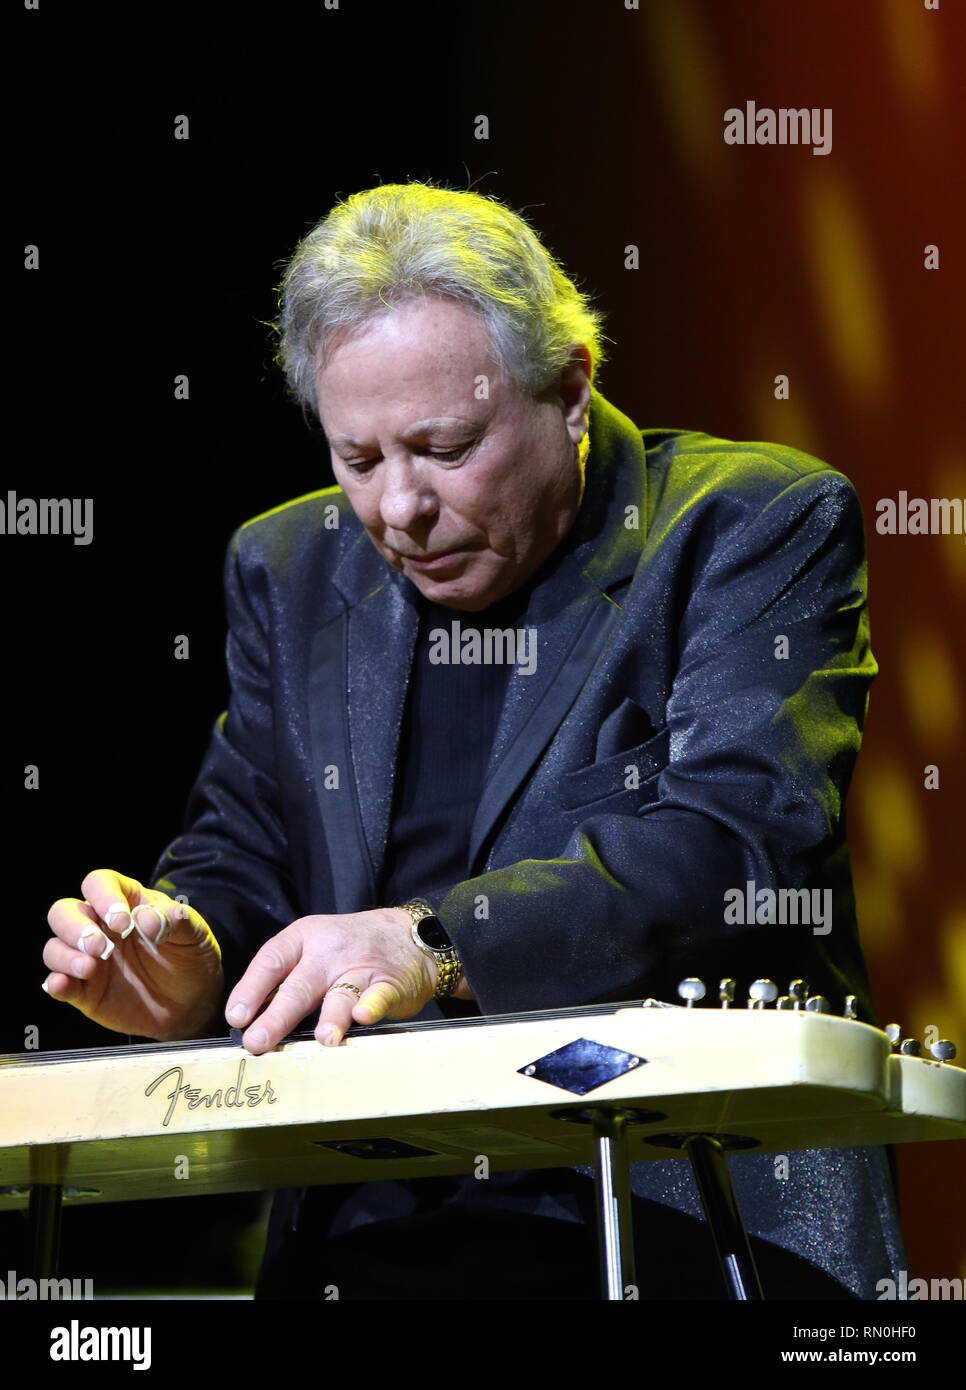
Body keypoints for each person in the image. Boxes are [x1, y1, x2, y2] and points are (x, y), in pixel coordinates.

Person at [42, 181, 906, 1300]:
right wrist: (190, 958)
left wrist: (437, 941)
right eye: (358, 458)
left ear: (571, 389)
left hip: (679, 1221)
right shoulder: (288, 569)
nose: (399, 507)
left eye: (444, 448)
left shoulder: (748, 524)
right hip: (366, 1231)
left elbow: (739, 845)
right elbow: (245, 844)